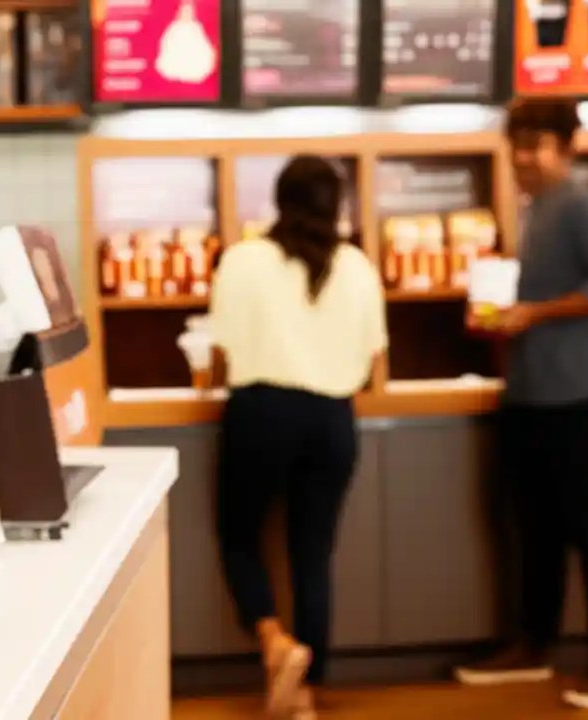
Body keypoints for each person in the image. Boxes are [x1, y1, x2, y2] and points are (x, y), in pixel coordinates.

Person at [455, 98, 588, 710]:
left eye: (536, 145)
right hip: (531, 394)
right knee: (536, 529)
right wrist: (505, 314)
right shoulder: (537, 209)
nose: (523, 158)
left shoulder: (581, 205)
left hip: (576, 396)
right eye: (517, 145)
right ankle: (534, 645)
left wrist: (535, 313)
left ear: (567, 148)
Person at [210, 156, 386, 719]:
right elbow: (375, 364)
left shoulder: (242, 259)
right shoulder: (356, 265)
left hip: (261, 412)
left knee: (239, 536)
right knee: (312, 554)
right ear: (338, 206)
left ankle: (274, 641)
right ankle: (305, 691)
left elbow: (220, 353)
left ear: (279, 200)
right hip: (333, 419)